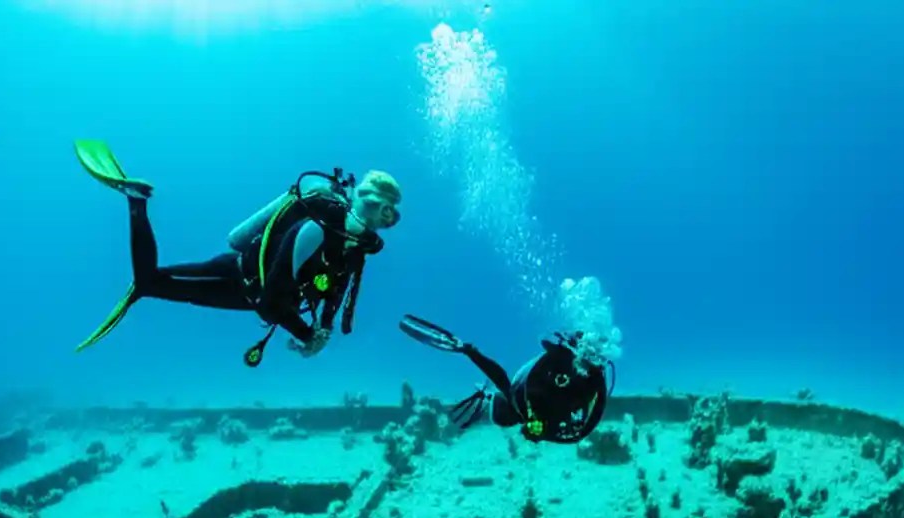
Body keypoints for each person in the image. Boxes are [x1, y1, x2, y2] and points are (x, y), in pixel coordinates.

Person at [72, 139, 403, 366]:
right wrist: (306, 334)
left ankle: (137, 217)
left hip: (251, 295)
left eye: (392, 215)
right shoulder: (317, 225)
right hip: (238, 275)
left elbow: (336, 291)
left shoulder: (354, 249)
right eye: (384, 209)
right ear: (368, 201)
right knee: (149, 282)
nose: (386, 220)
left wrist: (322, 330)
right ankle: (136, 202)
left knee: (152, 284)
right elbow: (272, 300)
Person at [398, 314, 613, 444]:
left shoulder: (526, 407)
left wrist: (471, 352)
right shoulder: (527, 401)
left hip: (555, 396)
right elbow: (504, 379)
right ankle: (489, 397)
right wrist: (471, 352)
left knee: (512, 401)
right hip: (547, 391)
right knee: (512, 402)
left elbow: (580, 430)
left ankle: (489, 397)